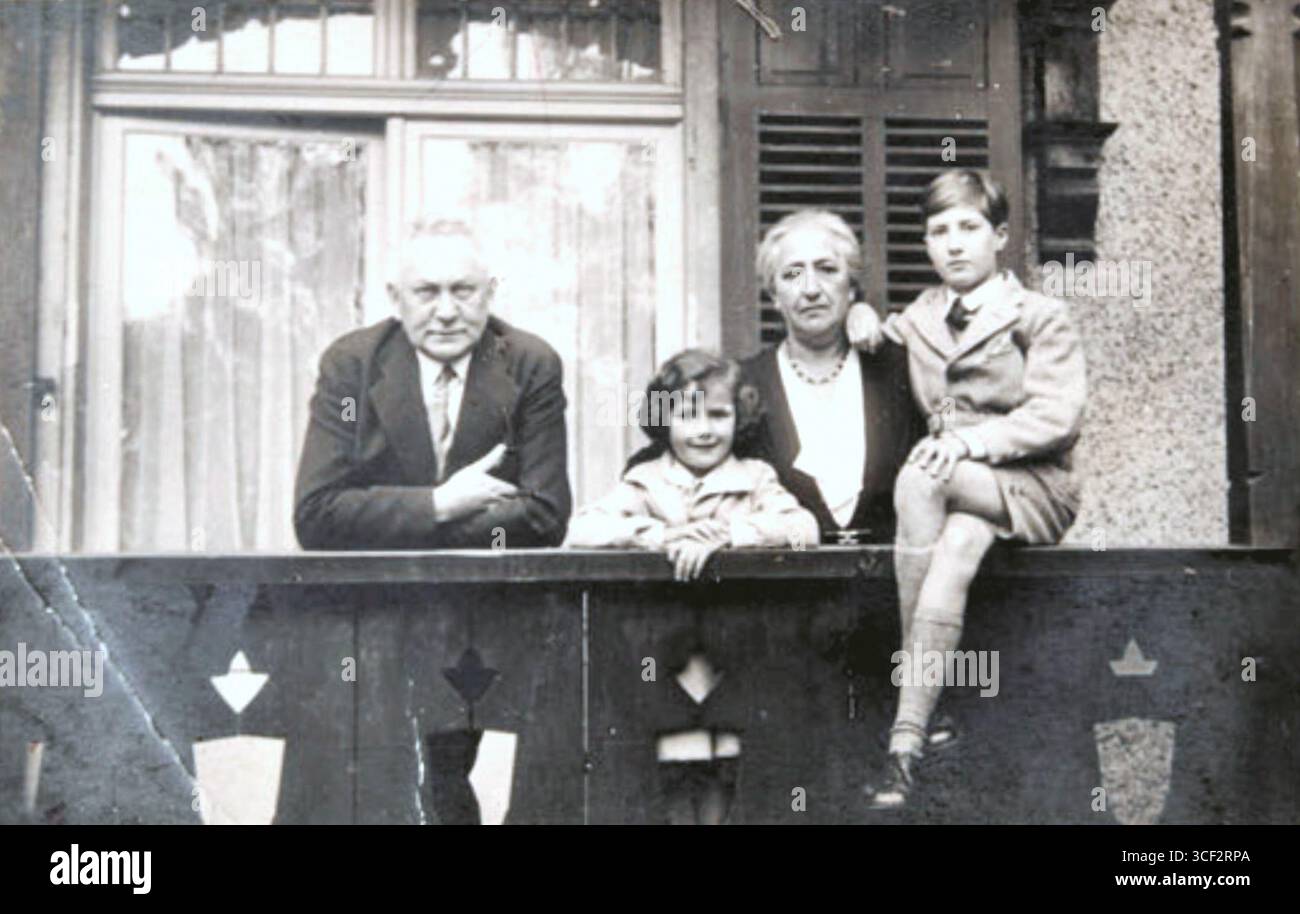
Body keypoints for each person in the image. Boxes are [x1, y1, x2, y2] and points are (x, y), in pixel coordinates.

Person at [851, 170, 1088, 810]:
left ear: (1000, 236)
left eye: (968, 228)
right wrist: (860, 313)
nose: (953, 244)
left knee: (920, 474)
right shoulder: (921, 317)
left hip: (1033, 483)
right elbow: (878, 338)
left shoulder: (1040, 316)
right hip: (960, 499)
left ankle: (909, 703)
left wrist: (967, 443)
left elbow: (1056, 417)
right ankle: (915, 735)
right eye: (938, 231)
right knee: (954, 551)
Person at [293, 220, 571, 549]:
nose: (446, 312)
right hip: (374, 593)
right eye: (426, 293)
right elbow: (316, 516)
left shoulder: (531, 365)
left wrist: (405, 526)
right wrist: (439, 505)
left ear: (490, 293)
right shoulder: (352, 367)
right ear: (395, 299)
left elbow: (545, 516)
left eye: (463, 291)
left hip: (493, 592)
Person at [737, 210, 921, 544]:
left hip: (894, 588)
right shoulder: (744, 381)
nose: (810, 289)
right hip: (782, 589)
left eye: (826, 269)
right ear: (774, 296)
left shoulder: (899, 368)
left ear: (851, 288)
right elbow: (659, 437)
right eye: (792, 274)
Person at [567, 349, 818, 582]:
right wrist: (661, 536)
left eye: (718, 415)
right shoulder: (646, 480)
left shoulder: (756, 477)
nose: (704, 430)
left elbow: (805, 535)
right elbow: (581, 532)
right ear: (664, 419)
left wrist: (732, 535)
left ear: (739, 417)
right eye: (687, 415)